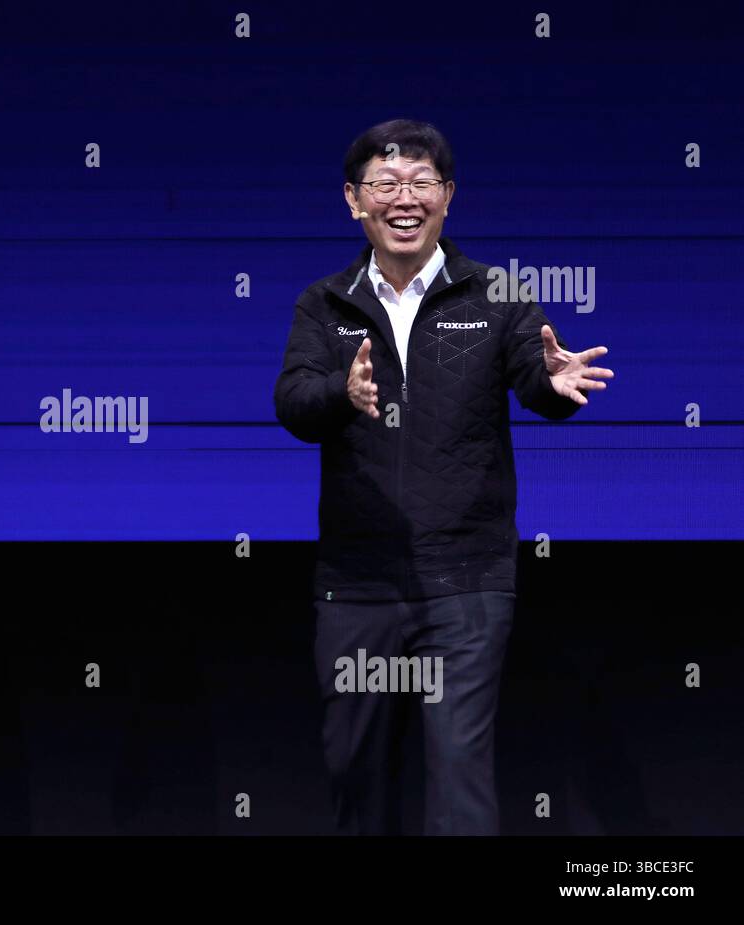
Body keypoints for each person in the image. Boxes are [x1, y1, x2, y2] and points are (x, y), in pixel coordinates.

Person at [274, 119, 613, 835]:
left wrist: (555, 383)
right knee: (353, 775)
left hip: (467, 580)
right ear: (353, 200)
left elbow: (537, 382)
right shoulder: (323, 303)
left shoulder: (498, 294)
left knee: (460, 781)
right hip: (357, 581)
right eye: (385, 184)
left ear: (448, 196)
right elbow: (294, 404)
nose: (405, 198)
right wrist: (343, 392)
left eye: (422, 182)